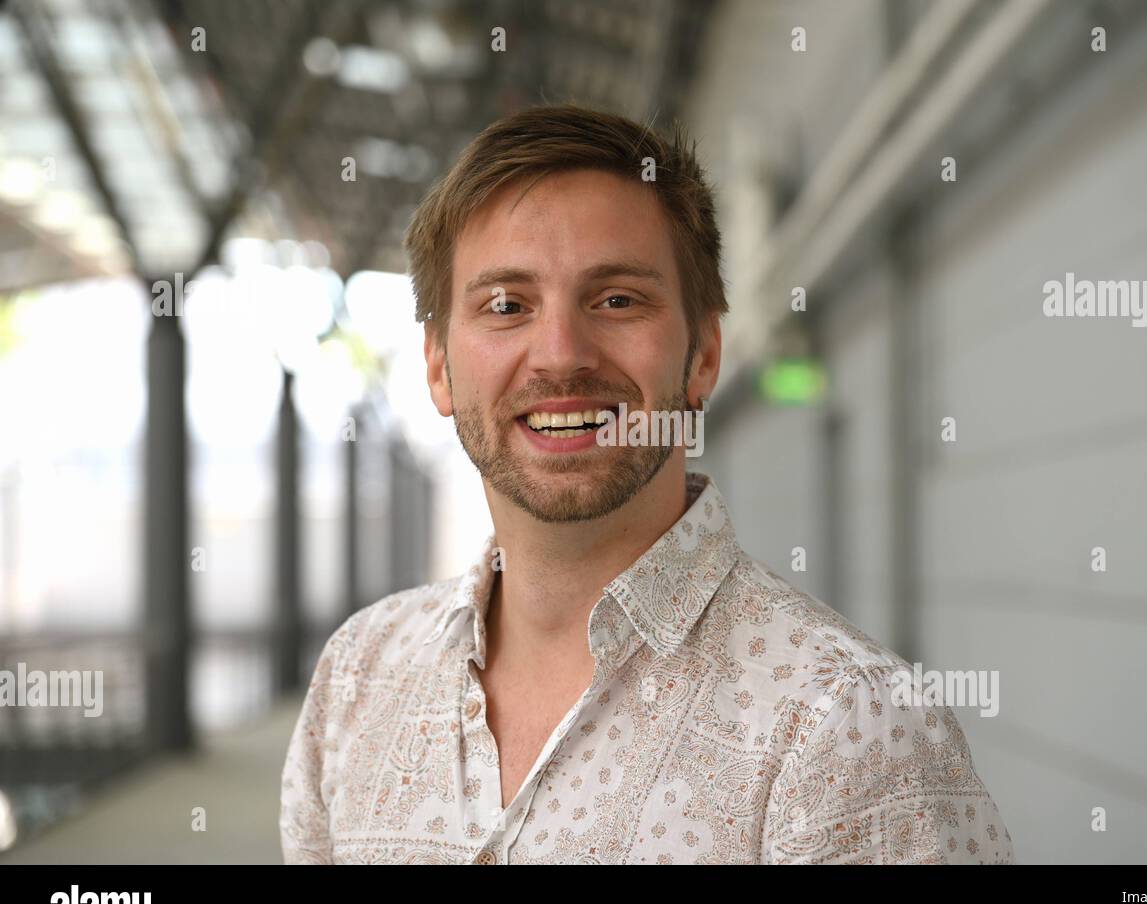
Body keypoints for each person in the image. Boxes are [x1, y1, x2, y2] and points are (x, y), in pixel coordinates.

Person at [279, 104, 1013, 864]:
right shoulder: (357, 677)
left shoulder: (845, 723)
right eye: (507, 305)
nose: (560, 355)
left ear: (701, 356)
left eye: (617, 299)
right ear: (438, 365)